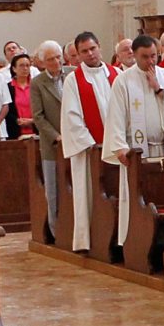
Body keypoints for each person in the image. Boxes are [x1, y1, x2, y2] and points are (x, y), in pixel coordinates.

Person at [103, 36, 164, 247]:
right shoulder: (123, 80)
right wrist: (120, 147)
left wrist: (160, 90)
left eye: (153, 56)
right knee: (139, 197)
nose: (150, 61)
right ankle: (138, 242)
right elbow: (115, 115)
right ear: (134, 55)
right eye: (144, 57)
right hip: (138, 152)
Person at [58, 32, 119, 252]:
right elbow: (71, 117)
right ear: (77, 55)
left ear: (99, 47)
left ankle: (120, 238)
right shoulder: (73, 80)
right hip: (89, 151)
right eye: (84, 51)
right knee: (88, 194)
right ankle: (90, 240)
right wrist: (92, 144)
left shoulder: (117, 74)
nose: (90, 54)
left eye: (93, 48)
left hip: (118, 148)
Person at [30, 41, 66, 239]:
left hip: (76, 141)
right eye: (51, 59)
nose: (56, 62)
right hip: (52, 145)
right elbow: (38, 116)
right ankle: (56, 231)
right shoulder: (38, 83)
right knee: (53, 191)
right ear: (43, 62)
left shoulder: (72, 74)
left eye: (58, 57)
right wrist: (56, 136)